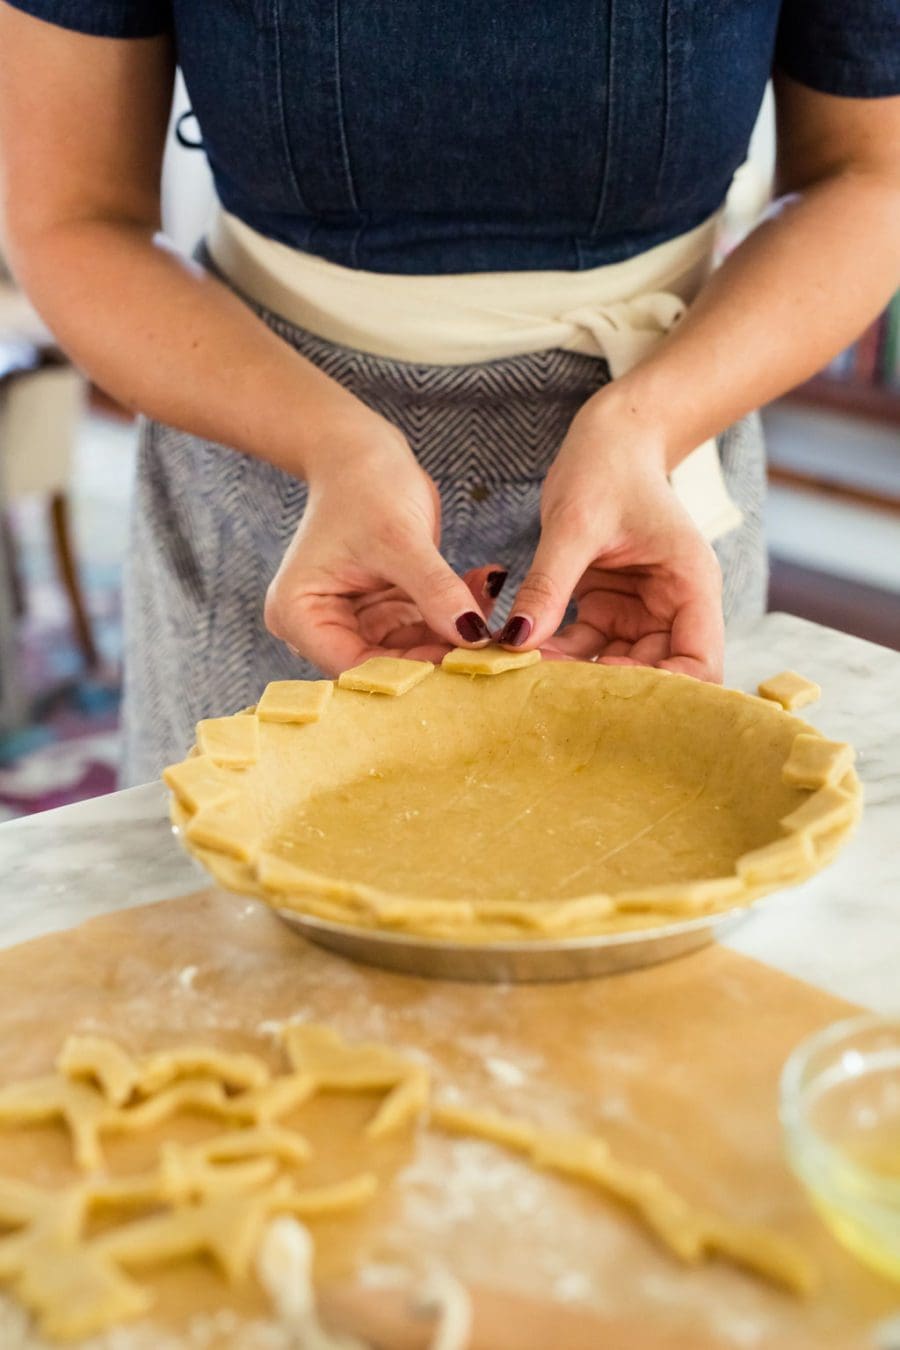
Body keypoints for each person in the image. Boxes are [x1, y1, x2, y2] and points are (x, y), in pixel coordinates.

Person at [0, 3, 898, 785]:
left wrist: (647, 424)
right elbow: (72, 216)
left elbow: (871, 176)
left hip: (653, 504)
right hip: (265, 479)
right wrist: (331, 445)